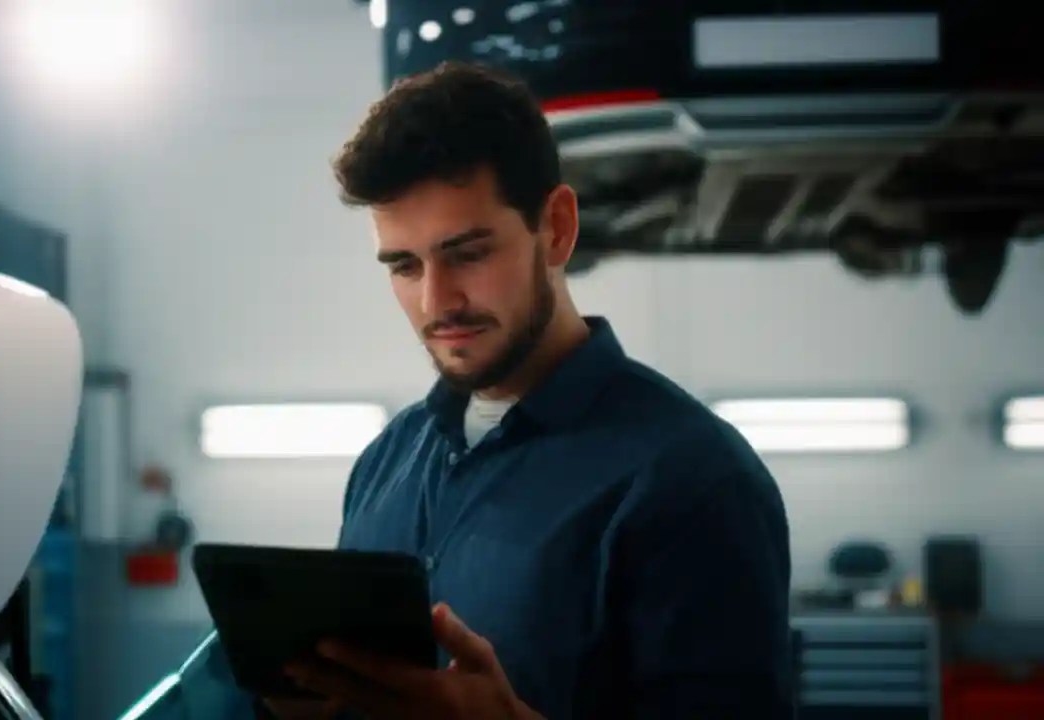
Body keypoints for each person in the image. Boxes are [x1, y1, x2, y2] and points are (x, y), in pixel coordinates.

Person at [269, 61, 793, 719]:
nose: (437, 300)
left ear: (557, 229)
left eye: (469, 253)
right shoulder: (386, 463)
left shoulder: (694, 479)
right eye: (404, 265)